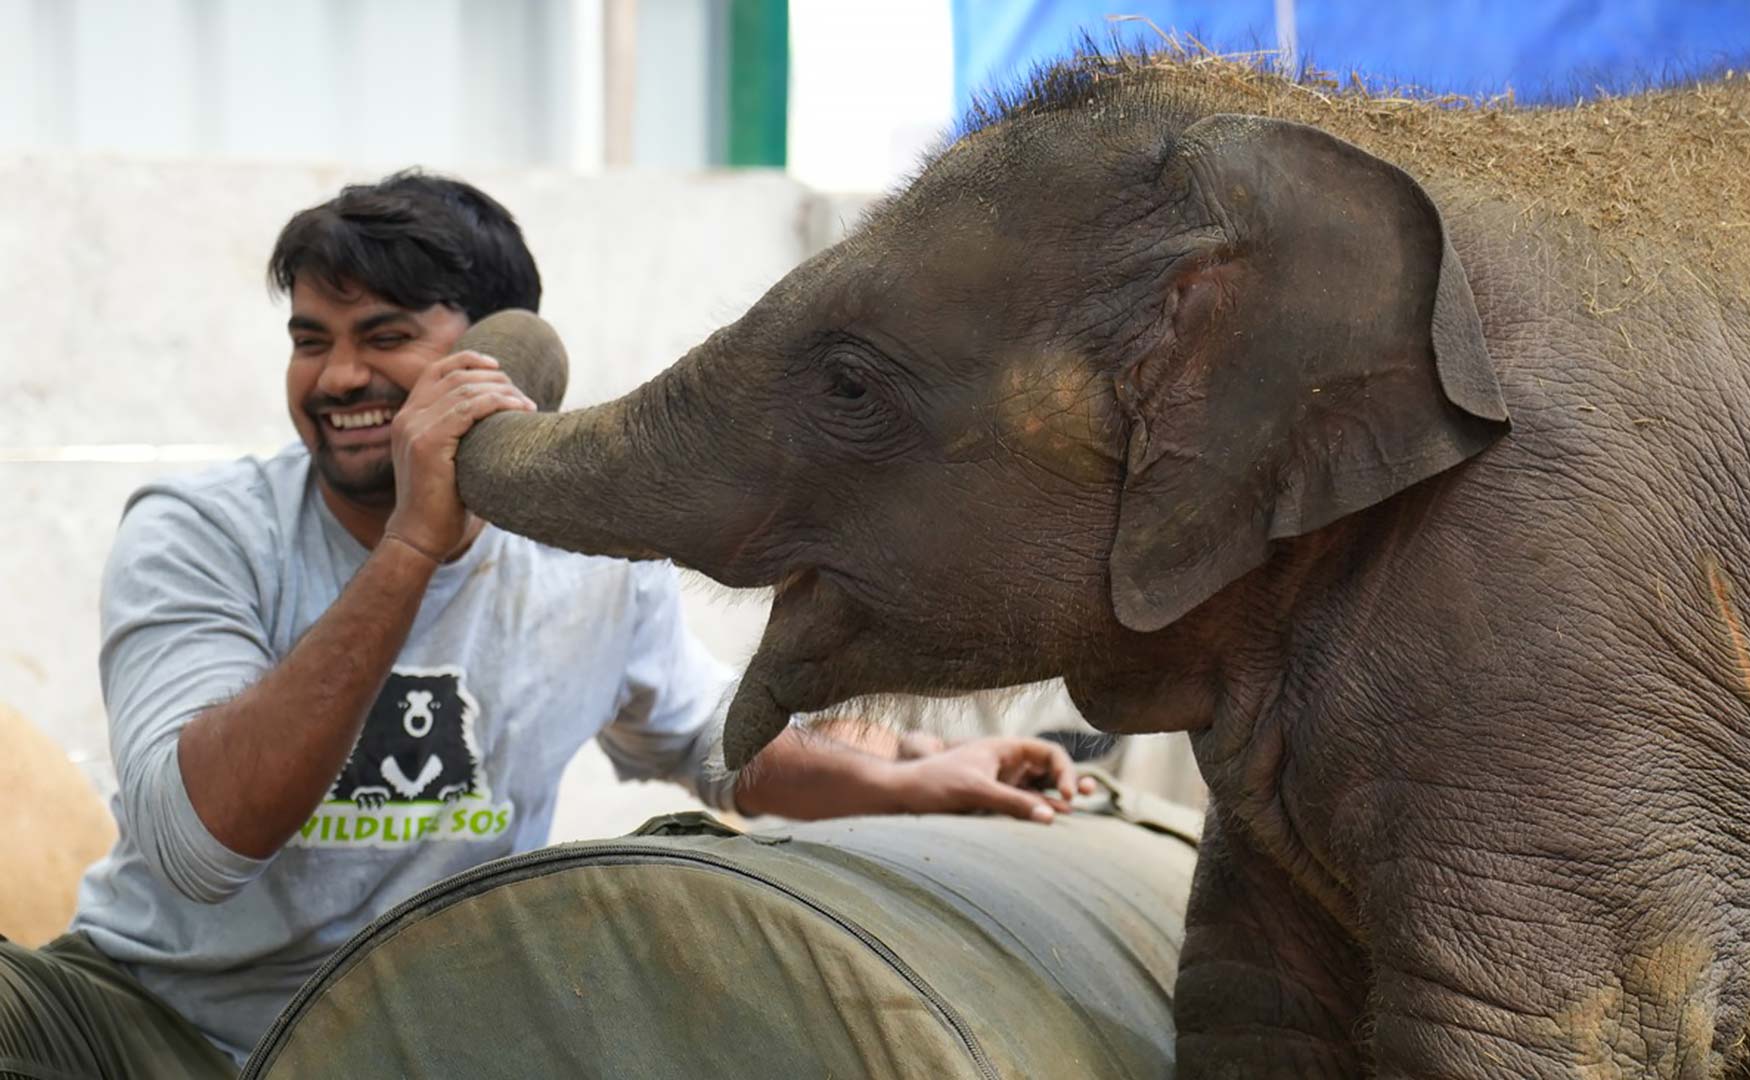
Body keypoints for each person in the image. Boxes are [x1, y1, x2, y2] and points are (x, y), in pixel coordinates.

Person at [0, 171, 1089, 1077]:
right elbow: (198, 850)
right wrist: (412, 550)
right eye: (310, 339)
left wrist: (914, 775)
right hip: (147, 1026)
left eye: (383, 337)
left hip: (416, 1035)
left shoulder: (589, 564)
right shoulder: (200, 533)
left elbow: (718, 746)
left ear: (504, 355)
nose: (337, 377)